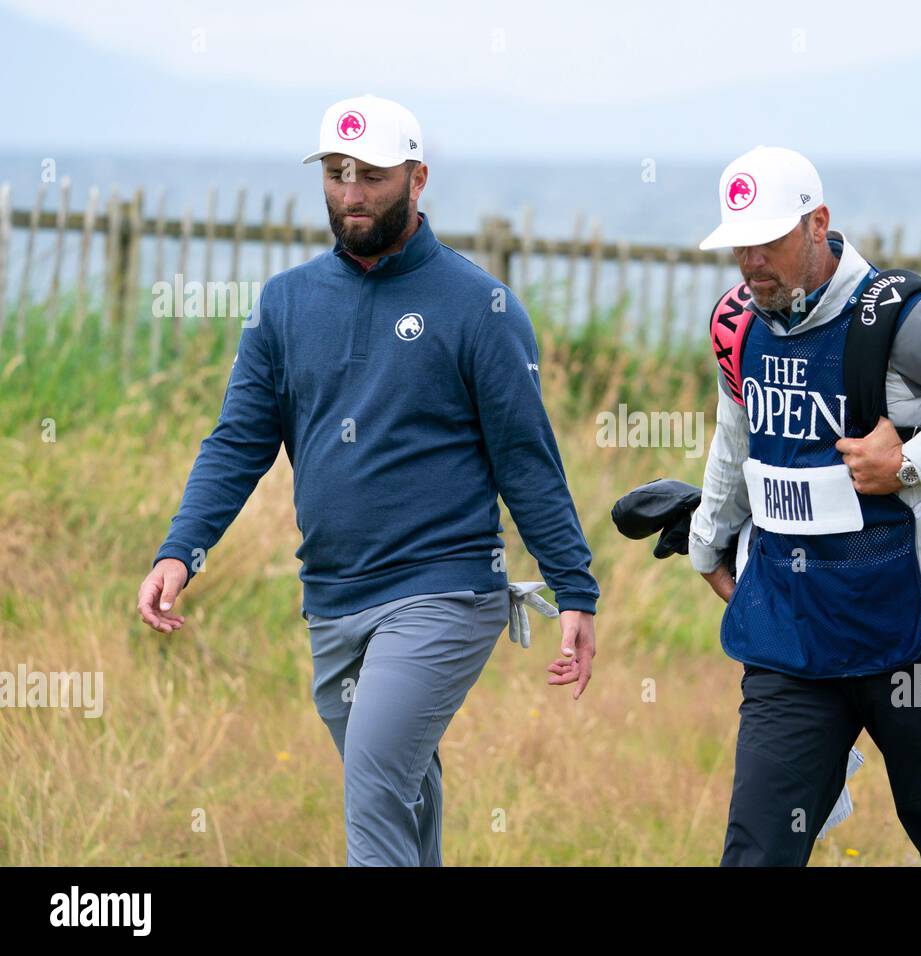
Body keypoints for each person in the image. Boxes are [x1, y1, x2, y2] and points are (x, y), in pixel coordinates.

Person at [135, 93, 599, 866]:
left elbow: (526, 457)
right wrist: (182, 549)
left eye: (373, 175)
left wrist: (574, 588)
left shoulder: (476, 305)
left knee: (376, 783)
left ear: (417, 179)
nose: (351, 192)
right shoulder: (286, 303)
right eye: (338, 173)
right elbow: (237, 442)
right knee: (402, 791)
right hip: (333, 597)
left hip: (443, 590)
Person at [690, 145, 921, 866]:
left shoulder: (905, 321)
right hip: (793, 625)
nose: (751, 264)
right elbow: (735, 433)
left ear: (817, 224)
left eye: (767, 243)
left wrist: (915, 462)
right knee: (757, 847)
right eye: (739, 246)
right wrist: (709, 536)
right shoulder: (741, 321)